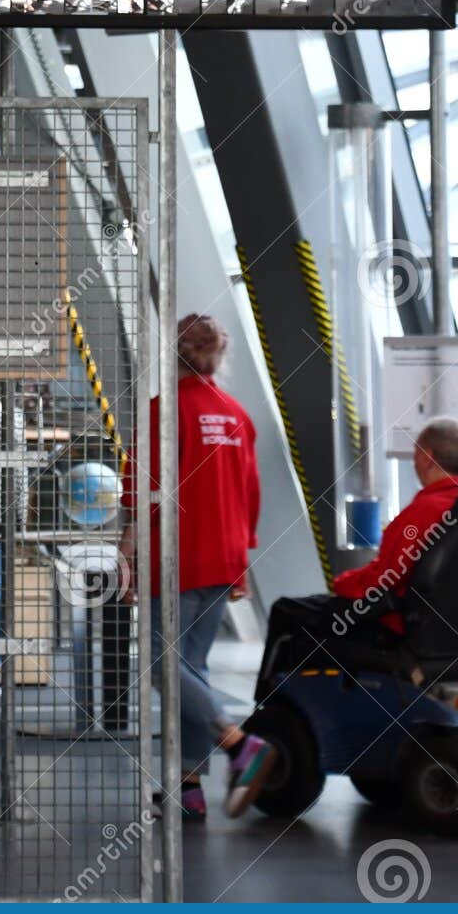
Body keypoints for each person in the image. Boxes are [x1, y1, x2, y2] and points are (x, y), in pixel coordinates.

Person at [124, 313, 273, 824]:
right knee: (192, 665)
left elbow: (139, 491)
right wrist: (241, 560)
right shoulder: (236, 416)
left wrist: (129, 555)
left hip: (178, 556)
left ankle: (239, 742)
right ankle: (188, 786)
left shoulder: (164, 413)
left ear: (174, 353)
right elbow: (250, 497)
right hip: (225, 556)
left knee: (161, 665)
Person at [263, 417, 458, 668]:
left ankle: (273, 702)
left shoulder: (423, 512)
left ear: (427, 456)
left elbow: (383, 579)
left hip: (395, 624)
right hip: (457, 633)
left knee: (286, 611)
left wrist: (342, 583)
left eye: (416, 452)